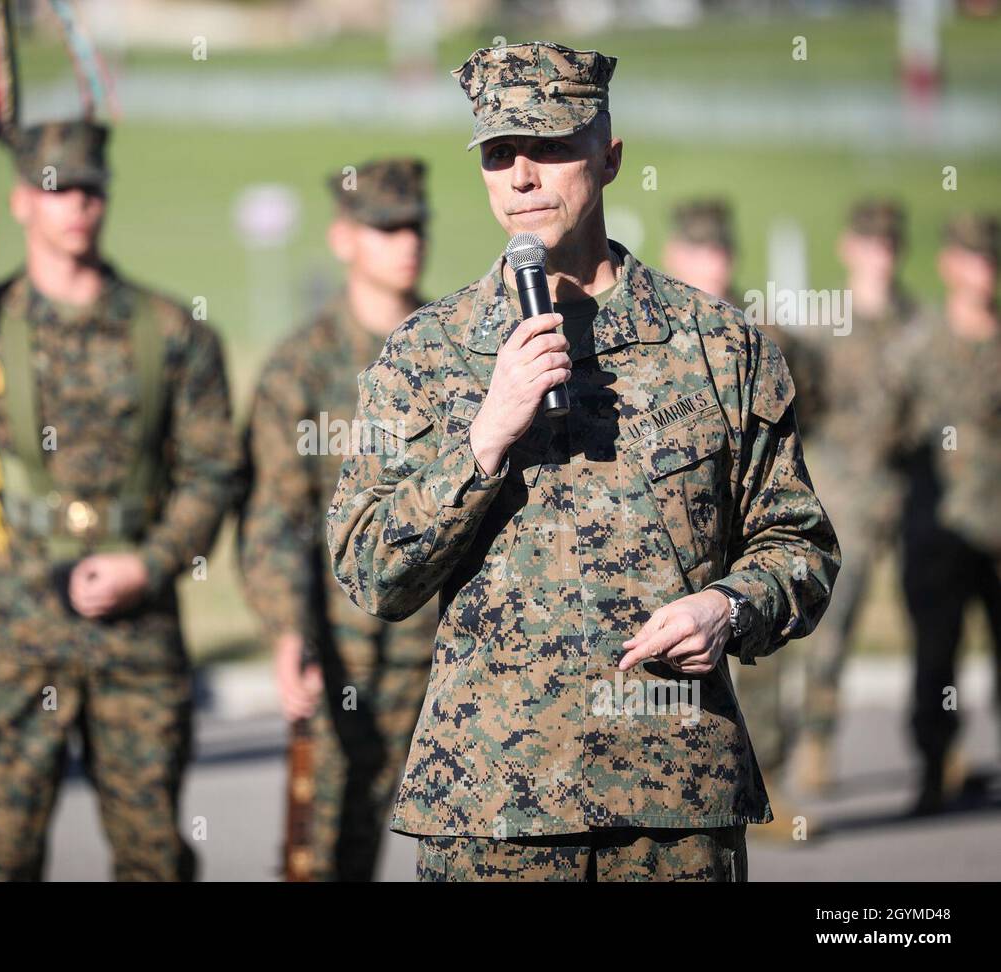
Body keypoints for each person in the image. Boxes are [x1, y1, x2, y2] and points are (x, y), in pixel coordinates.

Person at [327, 41, 839, 882]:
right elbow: (371, 570)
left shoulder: (719, 347)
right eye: (499, 154)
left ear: (609, 157)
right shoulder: (426, 355)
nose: (522, 175)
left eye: (551, 145)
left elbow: (801, 548)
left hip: (674, 805)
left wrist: (729, 607)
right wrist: (482, 439)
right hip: (493, 811)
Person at [0, 119, 241, 880]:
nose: (76, 206)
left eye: (91, 190)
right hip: (12, 618)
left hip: (137, 622)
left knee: (152, 853)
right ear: (21, 201)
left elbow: (211, 473)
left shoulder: (172, 332)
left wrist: (152, 563)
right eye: (55, 189)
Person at [239, 158, 436, 880]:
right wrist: (288, 630)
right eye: (386, 227)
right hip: (340, 653)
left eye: (416, 224)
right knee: (323, 859)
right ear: (344, 239)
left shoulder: (454, 351)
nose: (407, 241)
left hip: (445, 651)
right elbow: (275, 515)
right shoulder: (302, 366)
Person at [661, 199, 820, 837]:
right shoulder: (661, 333)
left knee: (762, 657)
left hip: (749, 532)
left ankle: (769, 785)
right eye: (700, 251)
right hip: (686, 540)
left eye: (721, 251)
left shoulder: (756, 339)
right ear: (678, 255)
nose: (713, 264)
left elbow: (801, 413)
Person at [790, 200, 918, 794]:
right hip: (845, 496)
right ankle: (816, 742)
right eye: (870, 243)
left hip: (913, 496)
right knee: (833, 629)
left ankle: (937, 749)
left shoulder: (918, 325)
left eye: (889, 244)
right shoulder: (823, 325)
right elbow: (803, 403)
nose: (880, 255)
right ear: (849, 248)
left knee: (932, 628)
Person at [895, 213, 1000, 816]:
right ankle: (935, 770)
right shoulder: (920, 345)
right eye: (971, 258)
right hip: (940, 528)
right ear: (948, 265)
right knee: (937, 654)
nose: (981, 272)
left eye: (989, 260)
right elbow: (889, 429)